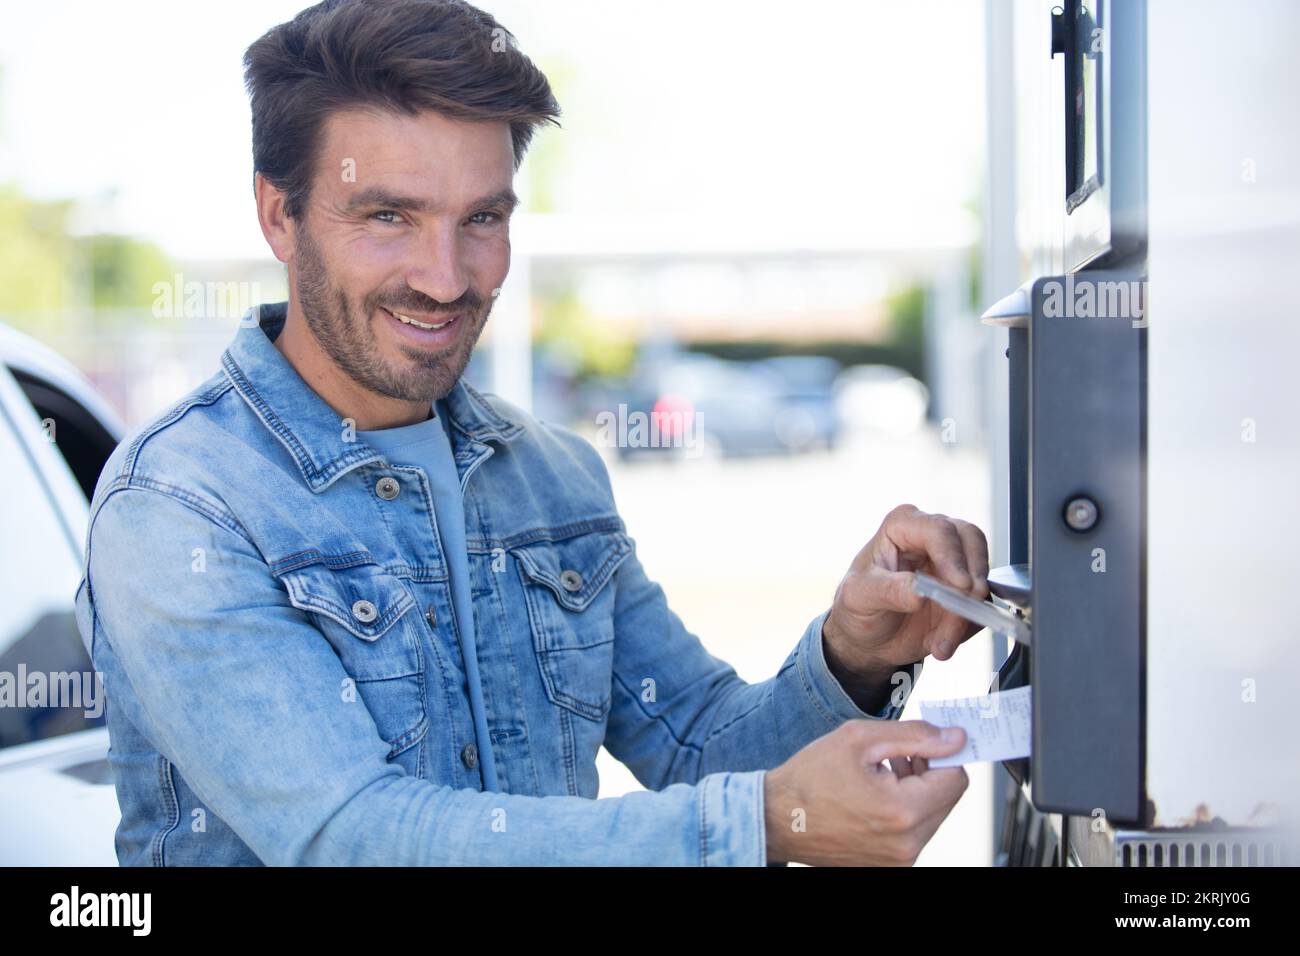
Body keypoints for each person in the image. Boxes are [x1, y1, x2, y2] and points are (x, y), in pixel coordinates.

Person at [75, 0, 990, 866]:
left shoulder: (551, 477)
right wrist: (758, 825)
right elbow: (352, 839)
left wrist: (854, 651)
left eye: (481, 219)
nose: (443, 278)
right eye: (388, 215)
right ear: (280, 214)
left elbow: (705, 747)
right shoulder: (181, 503)